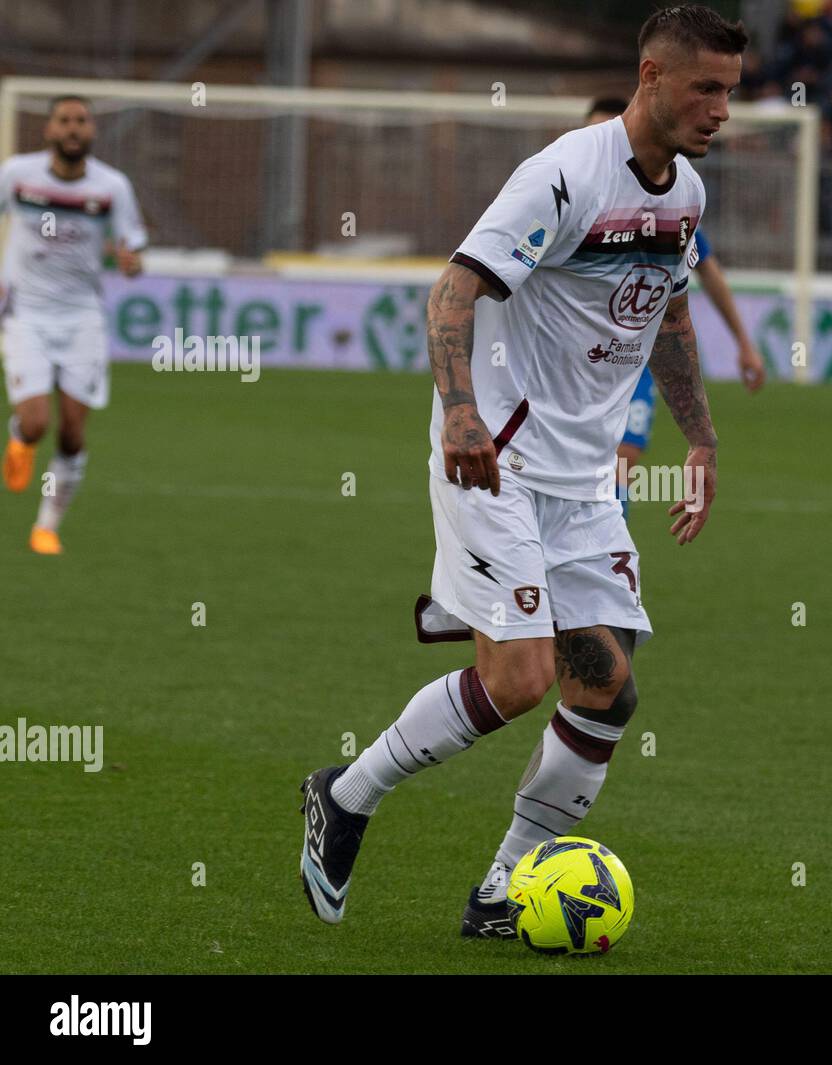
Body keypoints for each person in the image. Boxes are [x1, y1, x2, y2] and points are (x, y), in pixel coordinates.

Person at [299, 5, 740, 935]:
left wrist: (699, 437)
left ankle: (502, 888)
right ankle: (346, 791)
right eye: (706, 88)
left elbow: (668, 314)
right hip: (495, 459)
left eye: (731, 91)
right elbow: (454, 288)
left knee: (608, 689)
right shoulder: (562, 175)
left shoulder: (687, 194)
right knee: (522, 677)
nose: (722, 110)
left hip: (583, 483)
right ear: (651, 79)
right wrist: (460, 410)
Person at [584, 96, 764, 520]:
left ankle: (606, 557)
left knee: (621, 465)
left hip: (634, 357)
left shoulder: (669, 203)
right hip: (575, 360)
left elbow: (708, 274)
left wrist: (743, 342)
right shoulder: (573, 193)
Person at [1, 95, 146, 553]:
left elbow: (133, 247)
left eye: (81, 121)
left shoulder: (112, 187)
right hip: (26, 311)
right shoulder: (18, 176)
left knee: (72, 432)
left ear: (92, 132)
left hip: (83, 316)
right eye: (64, 120)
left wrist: (130, 262)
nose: (72, 129)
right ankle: (21, 440)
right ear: (48, 130)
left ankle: (46, 526)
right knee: (38, 421)